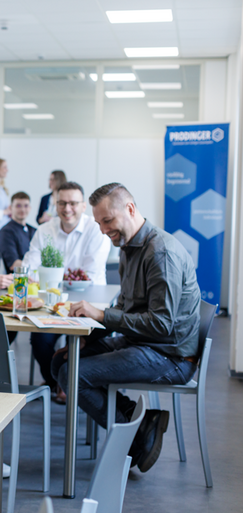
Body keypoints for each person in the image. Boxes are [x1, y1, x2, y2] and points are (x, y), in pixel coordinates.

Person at [51, 183, 201, 473]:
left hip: (170, 355)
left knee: (74, 374)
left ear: (130, 209)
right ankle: (139, 421)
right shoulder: (128, 248)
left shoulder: (160, 254)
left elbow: (161, 324)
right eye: (98, 223)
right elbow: (124, 308)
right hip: (141, 343)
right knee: (61, 360)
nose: (104, 230)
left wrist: (102, 314)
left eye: (108, 221)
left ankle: (131, 436)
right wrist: (89, 336)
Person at [23, 181, 110, 401]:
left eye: (72, 203)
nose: (67, 208)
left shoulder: (96, 229)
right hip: (50, 305)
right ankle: (57, 382)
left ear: (83, 206)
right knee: (40, 341)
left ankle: (75, 383)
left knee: (85, 343)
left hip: (90, 303)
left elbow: (89, 273)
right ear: (55, 204)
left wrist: (50, 275)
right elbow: (30, 265)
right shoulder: (44, 230)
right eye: (61, 203)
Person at [0, 191, 37, 272]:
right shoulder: (6, 232)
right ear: (10, 208)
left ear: (30, 208)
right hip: (17, 281)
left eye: (26, 206)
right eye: (18, 206)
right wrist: (36, 269)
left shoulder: (34, 231)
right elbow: (14, 264)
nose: (22, 209)